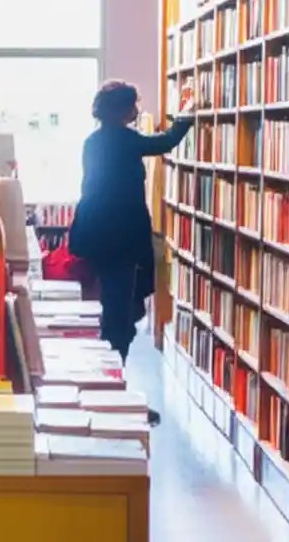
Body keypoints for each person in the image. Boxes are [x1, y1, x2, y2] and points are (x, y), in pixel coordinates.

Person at [69, 80, 195, 424]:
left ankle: (112, 385)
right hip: (120, 236)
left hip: (98, 233)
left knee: (117, 308)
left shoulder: (93, 141)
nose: (137, 111)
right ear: (122, 109)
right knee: (120, 316)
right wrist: (187, 115)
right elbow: (166, 142)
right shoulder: (123, 139)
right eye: (133, 105)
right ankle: (114, 391)